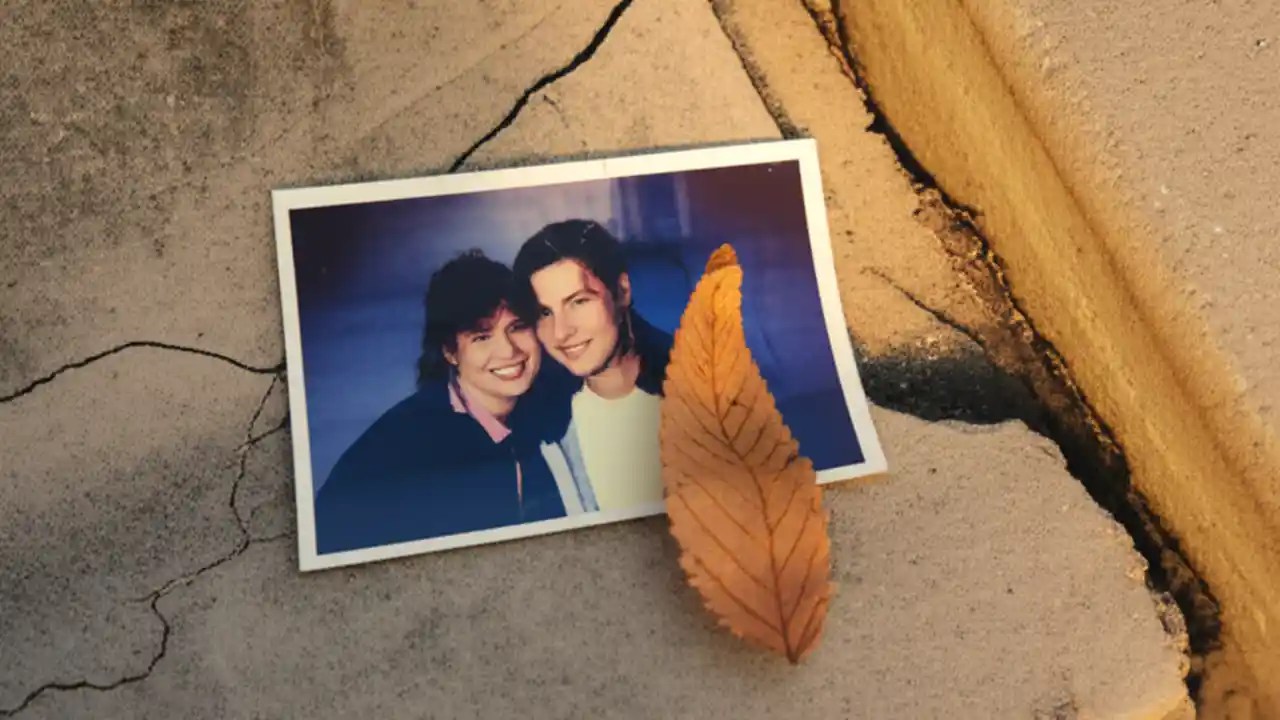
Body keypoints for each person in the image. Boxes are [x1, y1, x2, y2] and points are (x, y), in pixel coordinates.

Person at [314, 250, 568, 555]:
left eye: (517, 327)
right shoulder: (409, 443)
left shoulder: (540, 413)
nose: (509, 351)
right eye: (481, 337)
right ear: (450, 351)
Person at [512, 219, 674, 513]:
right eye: (545, 313)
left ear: (622, 292)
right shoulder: (539, 429)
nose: (561, 332)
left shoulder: (708, 390)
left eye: (579, 302)